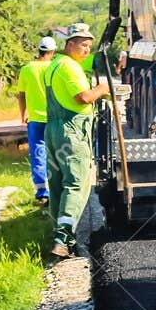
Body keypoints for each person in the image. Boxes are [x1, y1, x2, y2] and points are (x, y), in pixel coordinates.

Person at [44, 22, 111, 260]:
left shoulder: (54, 65)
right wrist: (102, 89)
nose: (86, 50)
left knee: (57, 185)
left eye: (89, 46)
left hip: (53, 130)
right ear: (69, 44)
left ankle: (59, 235)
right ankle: (63, 240)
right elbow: (82, 97)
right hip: (71, 132)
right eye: (82, 45)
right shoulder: (70, 67)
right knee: (75, 184)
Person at [13, 36, 58, 205]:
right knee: (56, 153)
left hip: (35, 120)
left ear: (39, 50)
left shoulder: (26, 69)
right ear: (52, 52)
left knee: (38, 155)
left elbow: (22, 95)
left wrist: (23, 113)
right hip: (55, 120)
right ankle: (57, 189)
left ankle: (42, 192)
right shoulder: (55, 68)